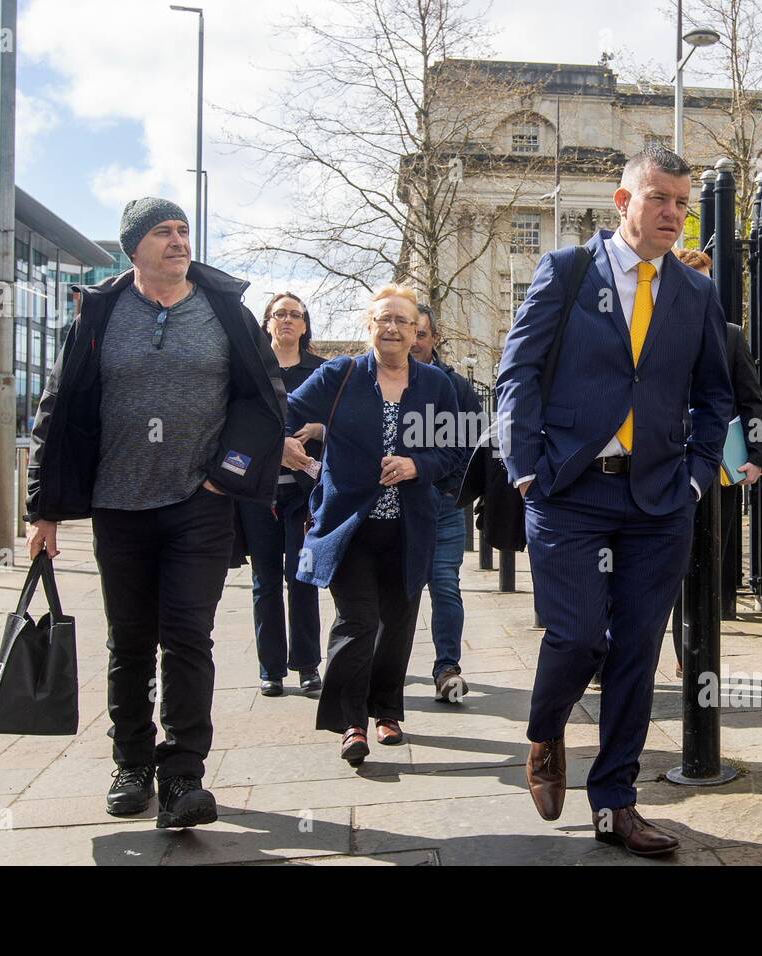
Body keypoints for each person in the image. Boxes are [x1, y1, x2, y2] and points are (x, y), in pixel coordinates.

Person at [496, 146, 734, 857]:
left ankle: (615, 802)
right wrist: (525, 468)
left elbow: (714, 396)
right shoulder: (566, 272)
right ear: (621, 199)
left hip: (659, 498)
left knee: (636, 649)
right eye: (659, 198)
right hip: (569, 488)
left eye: (683, 204)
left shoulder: (695, 295)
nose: (672, 214)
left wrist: (695, 477)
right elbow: (518, 373)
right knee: (577, 636)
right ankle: (545, 731)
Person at [24, 197, 286, 830]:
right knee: (130, 640)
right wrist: (44, 511)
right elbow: (59, 409)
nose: (178, 240)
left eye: (183, 230)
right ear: (132, 246)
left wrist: (226, 479)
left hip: (200, 503)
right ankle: (133, 762)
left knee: (189, 636)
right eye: (163, 232)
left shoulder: (224, 309)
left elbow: (263, 398)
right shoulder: (101, 312)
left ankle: (184, 774)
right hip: (120, 505)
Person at [283, 285, 463, 766]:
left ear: (417, 333)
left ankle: (387, 710)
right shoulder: (340, 374)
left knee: (398, 624)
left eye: (403, 322)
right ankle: (350, 722)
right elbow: (284, 410)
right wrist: (284, 442)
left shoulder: (434, 384)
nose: (393, 329)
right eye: (384, 319)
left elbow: (451, 452)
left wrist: (415, 466)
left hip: (409, 526)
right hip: (351, 526)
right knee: (357, 621)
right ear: (369, 326)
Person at [670, 247, 762, 678]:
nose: (707, 289)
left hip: (718, 471)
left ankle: (692, 656)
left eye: (710, 282)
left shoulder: (730, 336)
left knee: (708, 564)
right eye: (699, 280)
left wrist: (757, 455)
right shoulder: (658, 330)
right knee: (662, 566)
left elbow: (752, 402)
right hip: (665, 467)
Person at [240, 292, 325, 698]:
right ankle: (270, 668)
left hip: (305, 495)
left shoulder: (321, 371)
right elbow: (235, 423)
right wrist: (278, 447)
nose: (287, 320)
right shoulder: (251, 370)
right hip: (260, 494)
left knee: (302, 578)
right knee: (265, 581)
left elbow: (343, 421)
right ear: (268, 323)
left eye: (295, 314)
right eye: (280, 314)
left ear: (305, 325)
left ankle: (307, 665)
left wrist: (321, 430)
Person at [411, 303, 482, 702]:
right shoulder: (379, 383)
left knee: (445, 585)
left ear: (433, 338)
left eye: (422, 333)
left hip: (442, 507)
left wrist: (452, 490)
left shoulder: (457, 388)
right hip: (393, 508)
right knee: (391, 594)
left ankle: (447, 669)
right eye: (409, 331)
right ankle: (380, 671)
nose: (415, 340)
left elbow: (469, 444)